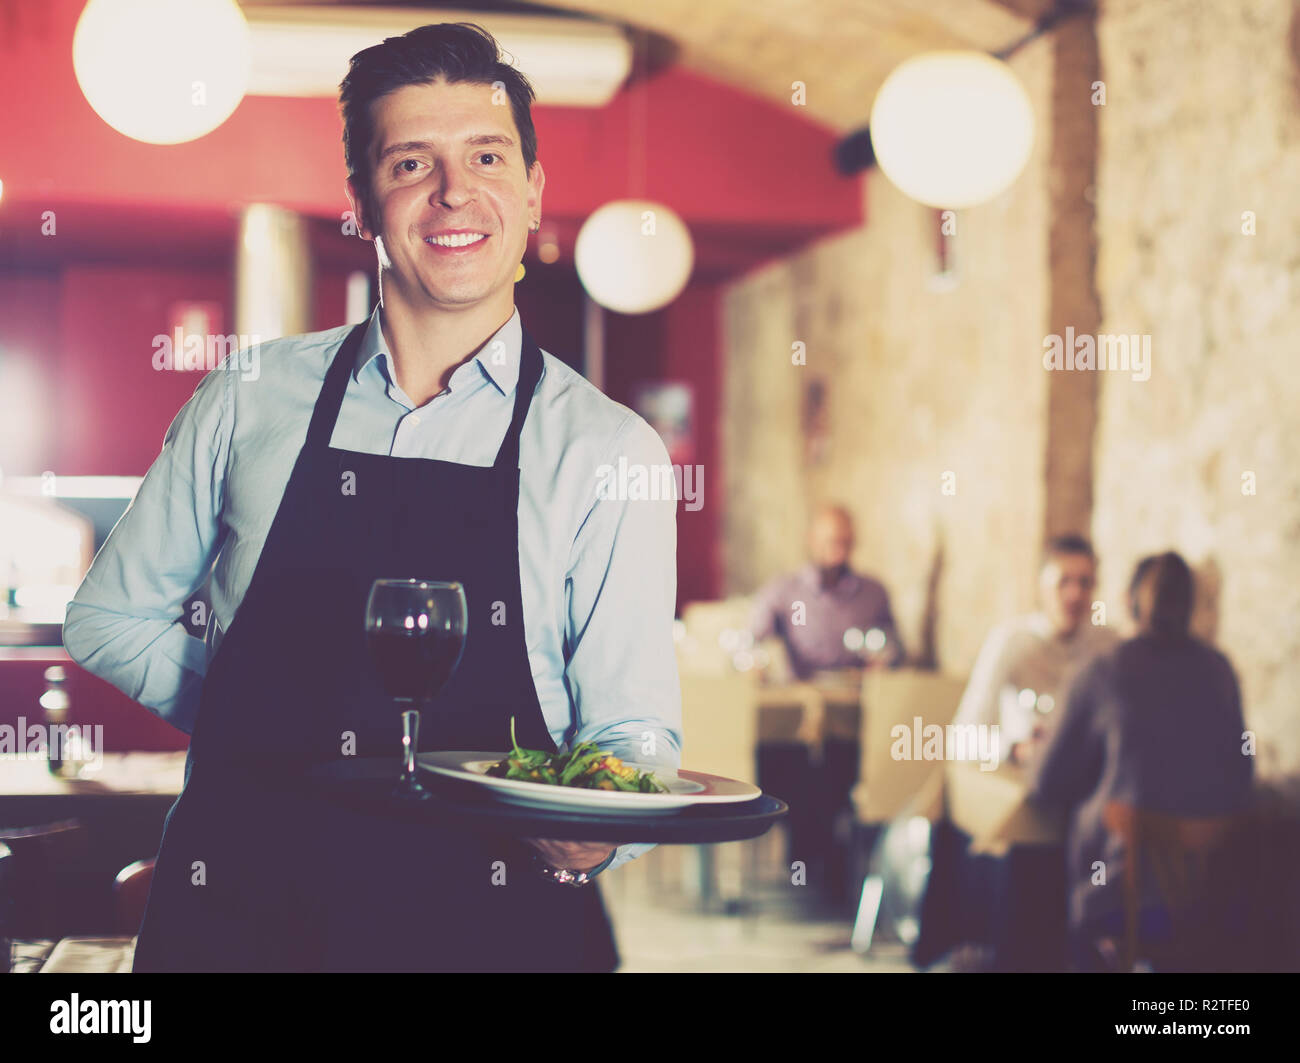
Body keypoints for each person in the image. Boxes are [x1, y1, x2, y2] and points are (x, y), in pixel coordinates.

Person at [61, 22, 681, 972]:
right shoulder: (248, 397)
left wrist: (599, 828)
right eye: (409, 162)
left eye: (486, 155)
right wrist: (253, 715)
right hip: (238, 913)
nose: (454, 191)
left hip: (495, 930)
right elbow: (112, 617)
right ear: (360, 201)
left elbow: (630, 733)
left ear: (531, 189)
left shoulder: (608, 450)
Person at [1026, 552, 1254, 971]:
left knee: (1042, 886)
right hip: (1210, 900)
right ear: (1193, 607)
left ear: (1131, 603)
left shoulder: (1102, 670)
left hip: (1116, 898)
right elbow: (1243, 777)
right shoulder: (1220, 671)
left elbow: (1046, 783)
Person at [951, 534, 1119, 766]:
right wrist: (1015, 749)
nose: (1075, 595)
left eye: (1085, 583)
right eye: (1063, 582)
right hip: (1024, 784)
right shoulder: (1010, 640)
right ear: (1042, 585)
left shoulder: (1108, 645)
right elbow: (961, 740)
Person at [748, 503, 904, 680]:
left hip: (858, 696)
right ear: (812, 540)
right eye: (830, 541)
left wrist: (884, 661)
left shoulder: (874, 593)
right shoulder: (783, 591)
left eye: (844, 542)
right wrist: (755, 665)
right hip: (801, 694)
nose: (837, 550)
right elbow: (752, 641)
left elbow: (895, 648)